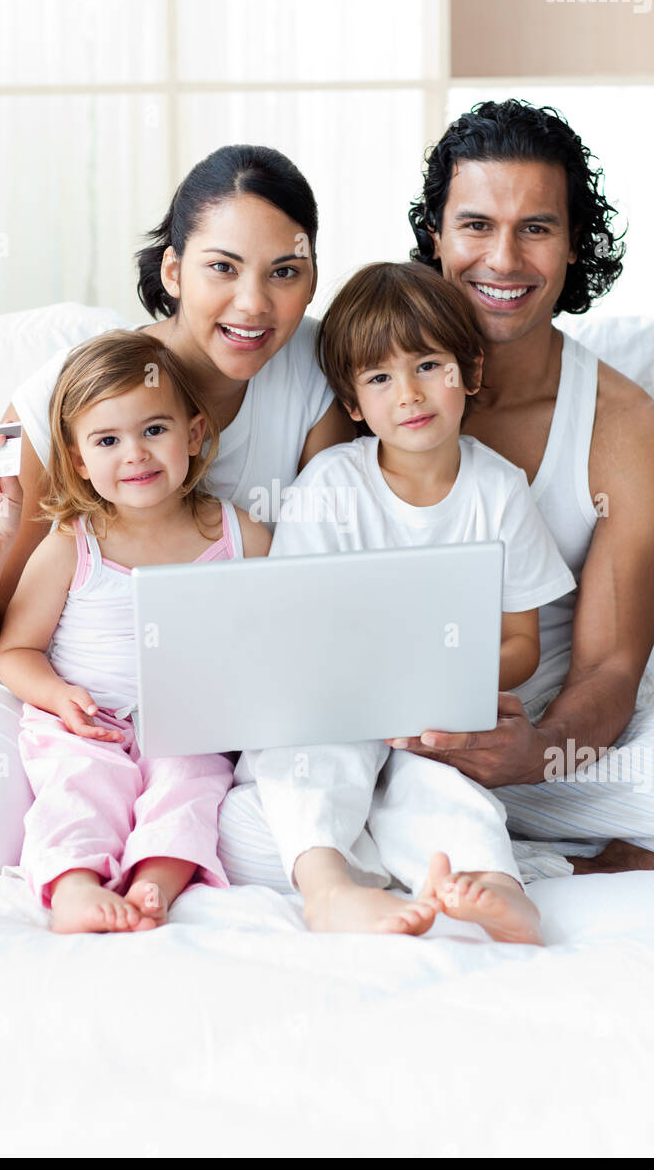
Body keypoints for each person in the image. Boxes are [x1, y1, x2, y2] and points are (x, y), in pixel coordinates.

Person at [217, 100, 654, 884]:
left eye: (536, 227)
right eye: (476, 225)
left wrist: (534, 752)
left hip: (557, 752)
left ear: (571, 248)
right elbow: (183, 363)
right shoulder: (361, 371)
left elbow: (608, 672)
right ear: (436, 236)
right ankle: (537, 865)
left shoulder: (636, 439)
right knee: (250, 836)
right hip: (386, 750)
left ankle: (564, 851)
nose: (503, 259)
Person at [0, 144, 353, 881]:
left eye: (285, 272)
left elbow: (314, 596)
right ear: (172, 271)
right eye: (222, 267)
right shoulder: (66, 390)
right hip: (43, 684)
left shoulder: (318, 375)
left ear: (313, 276)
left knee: (271, 840)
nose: (254, 303)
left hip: (192, 719)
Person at [234, 262, 575, 940]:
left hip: (438, 717)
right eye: (381, 378)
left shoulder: (499, 490)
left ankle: (497, 890)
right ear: (354, 403)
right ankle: (329, 889)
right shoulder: (331, 486)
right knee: (311, 755)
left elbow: (522, 645)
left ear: (468, 373)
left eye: (428, 365)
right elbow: (293, 629)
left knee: (443, 787)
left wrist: (451, 687)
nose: (410, 394)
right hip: (338, 707)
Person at [0, 329, 270, 933]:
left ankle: (155, 883)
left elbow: (278, 630)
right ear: (78, 462)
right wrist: (57, 697)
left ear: (194, 435)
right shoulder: (72, 545)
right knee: (81, 789)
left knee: (192, 785)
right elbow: (15, 649)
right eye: (108, 440)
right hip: (89, 723)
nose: (135, 454)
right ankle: (73, 889)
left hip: (190, 724)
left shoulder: (240, 535)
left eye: (154, 430)